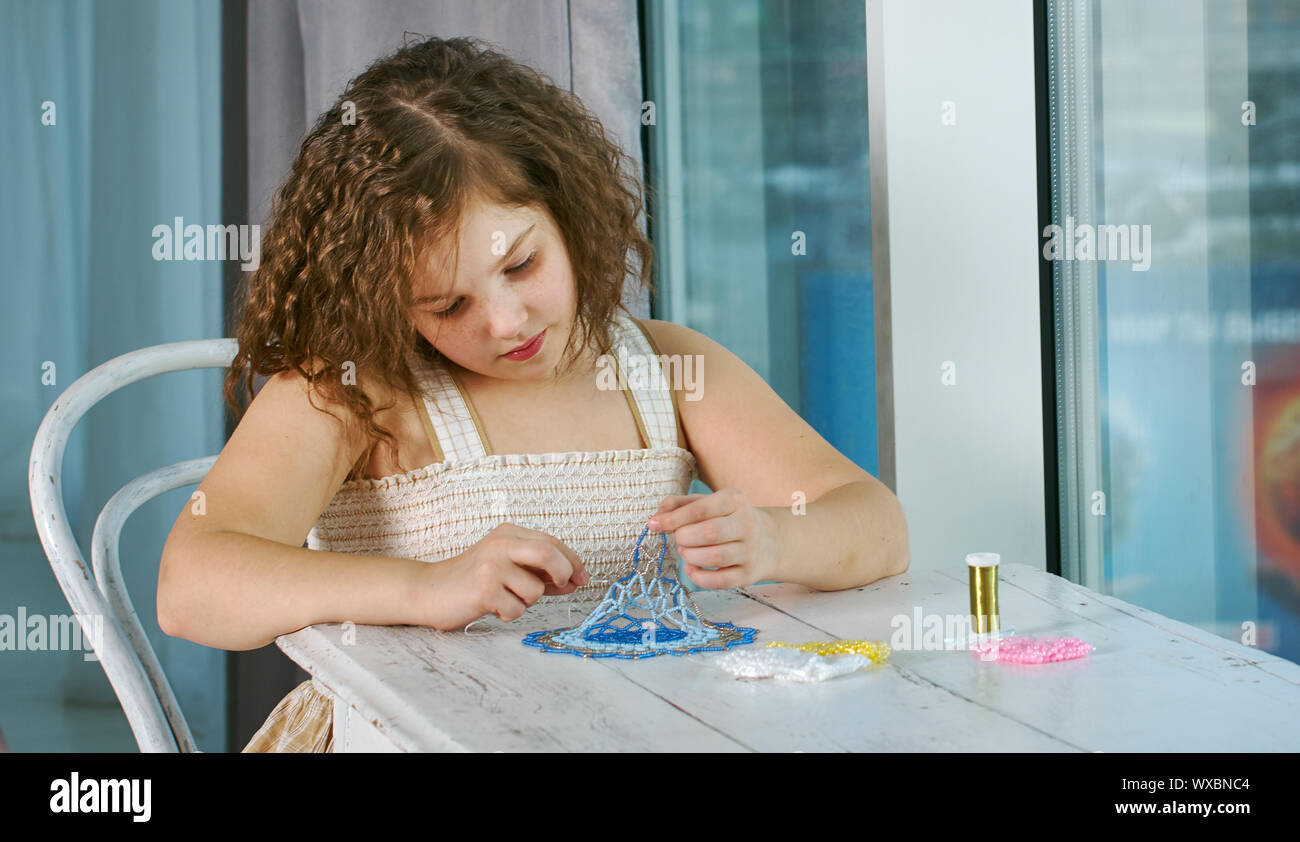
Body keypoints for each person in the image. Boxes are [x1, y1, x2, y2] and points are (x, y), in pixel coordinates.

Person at [157, 35, 910, 753]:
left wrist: (777, 538)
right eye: (449, 307)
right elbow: (190, 586)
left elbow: (876, 524)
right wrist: (426, 588)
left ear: (566, 211)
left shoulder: (667, 367)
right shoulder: (357, 392)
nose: (507, 321)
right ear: (385, 305)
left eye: (520, 265)